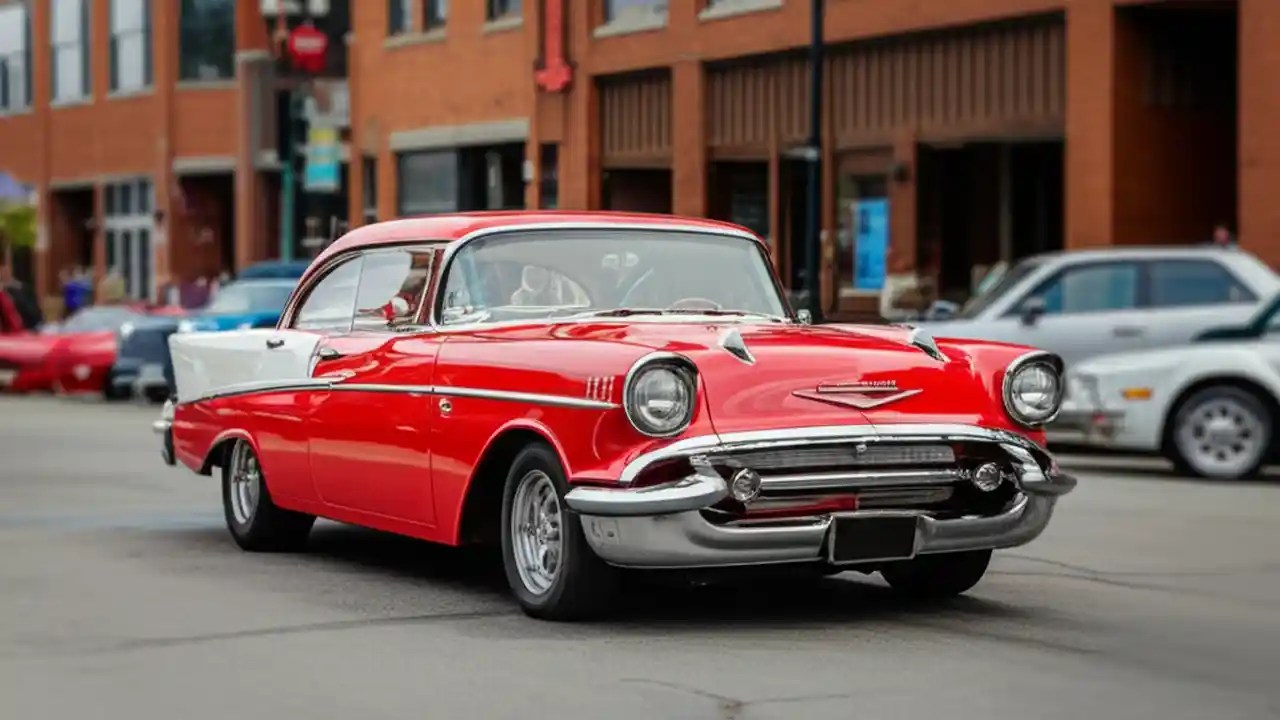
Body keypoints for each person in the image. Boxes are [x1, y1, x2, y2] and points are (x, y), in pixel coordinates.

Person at [0, 264, 42, 329]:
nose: (4, 273)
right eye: (2, 272)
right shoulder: (4, 291)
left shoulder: (21, 287)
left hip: (27, 321)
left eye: (6, 271)